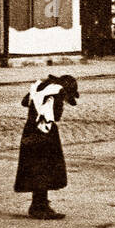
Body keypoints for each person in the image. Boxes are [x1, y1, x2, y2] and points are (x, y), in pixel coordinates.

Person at [14, 74, 79, 219]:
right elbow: (55, 116)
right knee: (46, 168)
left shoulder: (39, 86)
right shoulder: (58, 92)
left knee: (35, 167)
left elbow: (25, 102)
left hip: (30, 129)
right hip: (45, 131)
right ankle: (40, 206)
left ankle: (38, 203)